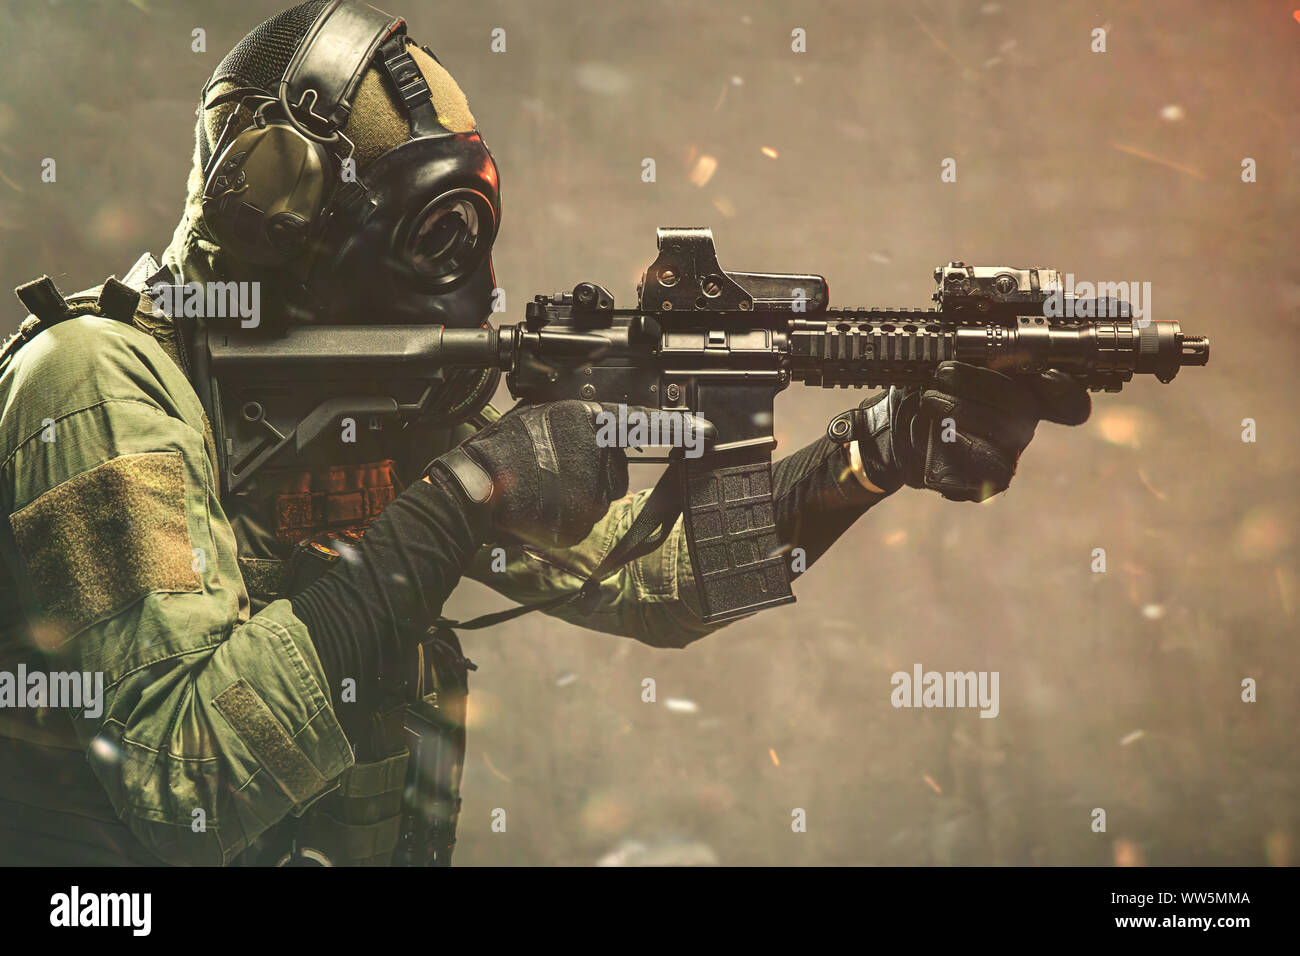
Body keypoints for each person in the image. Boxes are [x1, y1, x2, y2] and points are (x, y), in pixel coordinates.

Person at [0, 0, 1089, 867]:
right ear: (272, 210)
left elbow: (655, 580)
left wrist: (872, 450)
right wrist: (470, 488)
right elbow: (186, 786)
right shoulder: (96, 380)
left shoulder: (373, 408)